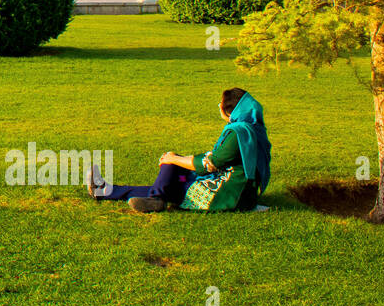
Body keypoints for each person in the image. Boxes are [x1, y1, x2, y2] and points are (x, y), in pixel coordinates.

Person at [88, 88, 272, 213]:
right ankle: (110, 191)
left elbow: (212, 163)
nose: (218, 106)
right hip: (239, 191)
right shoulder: (253, 129)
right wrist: (178, 159)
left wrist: (174, 159)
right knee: (172, 177)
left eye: (221, 103)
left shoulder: (238, 132)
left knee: (173, 172)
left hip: (227, 193)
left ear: (231, 110)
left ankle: (151, 198)